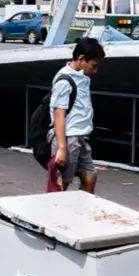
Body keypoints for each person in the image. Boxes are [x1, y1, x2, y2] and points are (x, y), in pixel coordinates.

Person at [49, 38, 106, 193]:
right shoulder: (64, 81)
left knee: (90, 177)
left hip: (80, 136)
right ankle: (54, 214)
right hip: (69, 138)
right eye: (93, 66)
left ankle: (82, 211)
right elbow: (59, 113)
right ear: (81, 59)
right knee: (62, 184)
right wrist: (62, 148)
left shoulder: (81, 77)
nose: (95, 71)